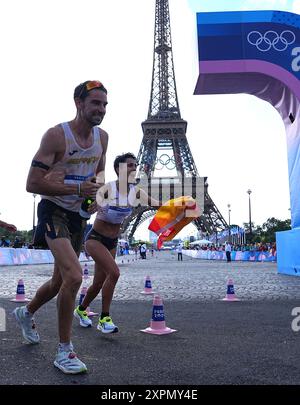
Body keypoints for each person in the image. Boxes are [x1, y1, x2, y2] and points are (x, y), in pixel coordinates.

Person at [13, 80, 108, 374]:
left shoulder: (102, 137)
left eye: (105, 105)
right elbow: (32, 183)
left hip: (78, 215)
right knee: (75, 275)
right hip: (53, 209)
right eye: (95, 103)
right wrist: (76, 190)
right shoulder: (57, 136)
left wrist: (97, 195)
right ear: (79, 103)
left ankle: (25, 312)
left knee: (59, 283)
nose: (101, 110)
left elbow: (100, 171)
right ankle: (64, 351)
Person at [74, 152, 159, 333]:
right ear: (118, 169)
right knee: (114, 272)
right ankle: (104, 318)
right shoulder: (106, 190)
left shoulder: (136, 193)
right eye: (129, 165)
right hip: (95, 239)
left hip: (112, 242)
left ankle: (81, 310)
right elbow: (86, 208)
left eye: (135, 165)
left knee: (98, 283)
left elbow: (157, 204)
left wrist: (179, 204)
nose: (134, 168)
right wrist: (91, 205)